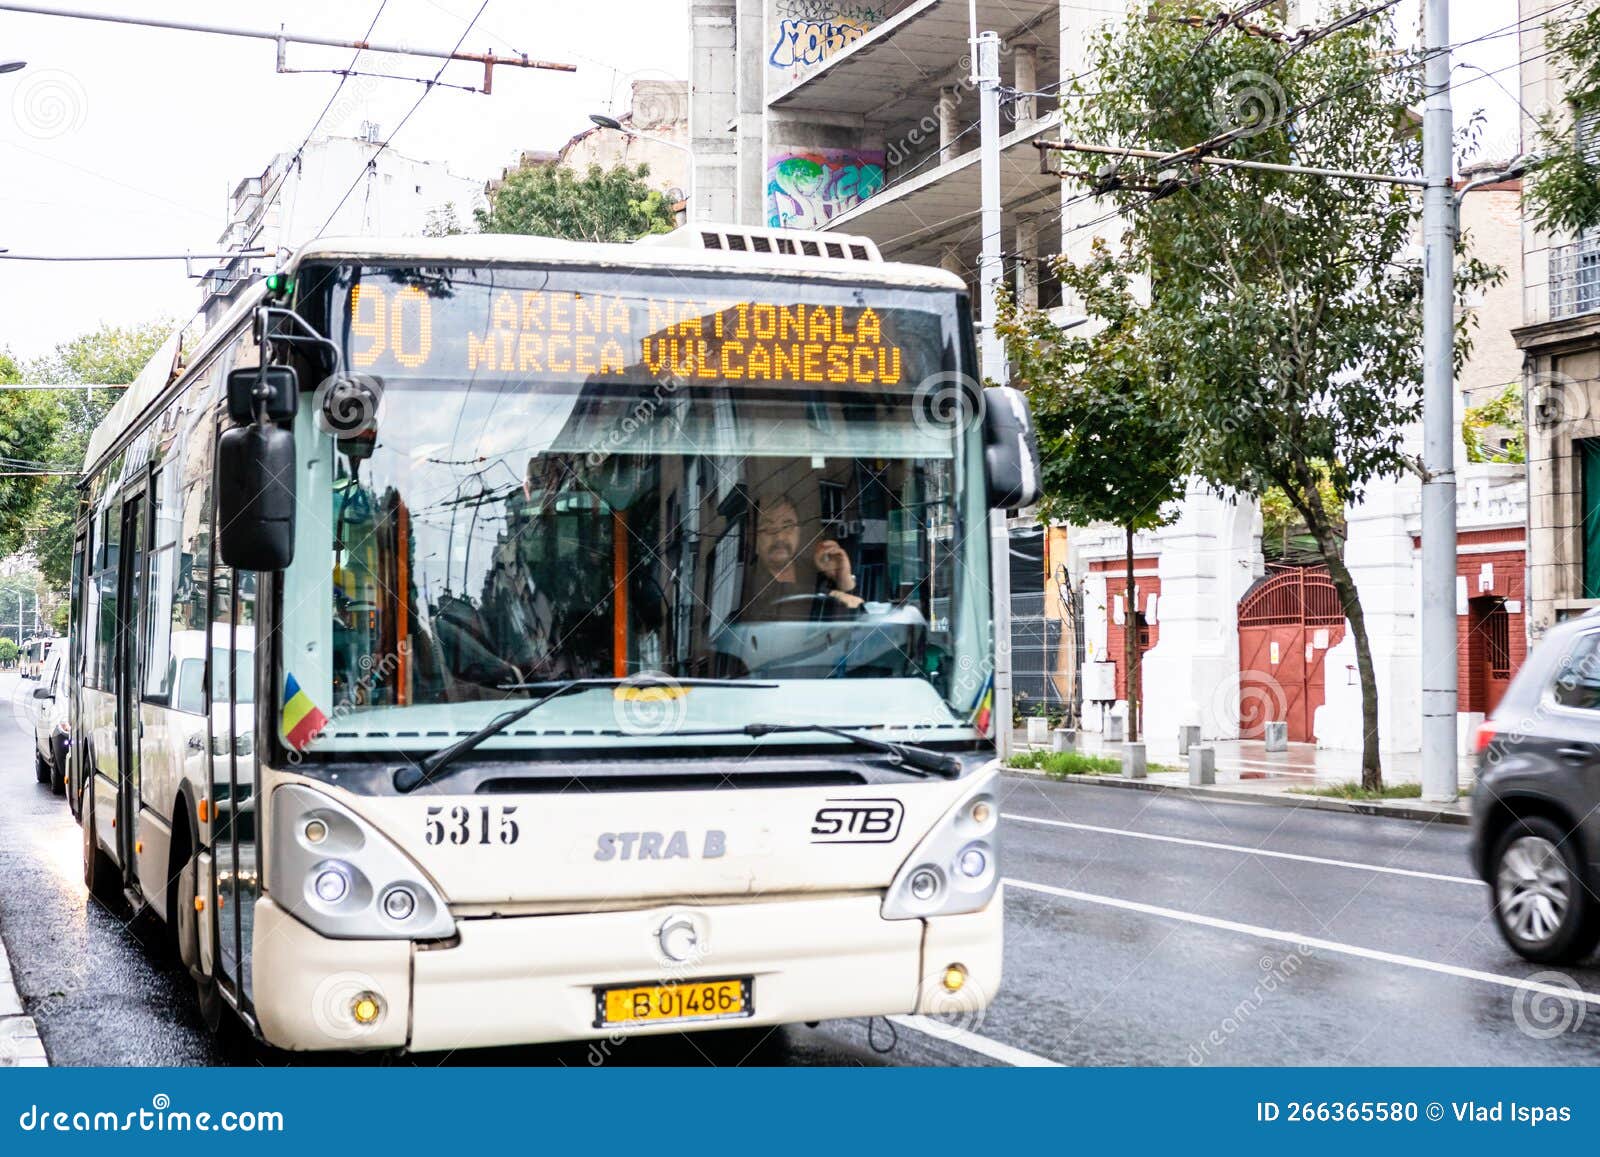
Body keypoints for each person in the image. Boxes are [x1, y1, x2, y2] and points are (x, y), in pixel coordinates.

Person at [738, 494, 864, 621]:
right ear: (753, 538)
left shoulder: (816, 573)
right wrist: (833, 595)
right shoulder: (743, 580)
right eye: (767, 529)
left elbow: (855, 620)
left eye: (787, 526)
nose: (780, 537)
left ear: (798, 532)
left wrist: (843, 579)